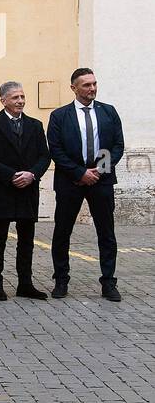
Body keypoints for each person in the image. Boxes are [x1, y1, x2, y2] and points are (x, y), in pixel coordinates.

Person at [47, 68, 124, 301]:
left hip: (101, 181)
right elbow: (56, 149)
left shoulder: (108, 112)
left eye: (94, 84)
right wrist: (80, 172)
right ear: (74, 88)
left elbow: (118, 145)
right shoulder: (60, 116)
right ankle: (61, 280)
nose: (92, 88)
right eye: (86, 85)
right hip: (70, 181)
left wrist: (98, 171)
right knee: (62, 232)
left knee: (106, 233)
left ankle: (108, 282)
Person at [0, 81, 50, 301]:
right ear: (3, 100)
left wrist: (32, 174)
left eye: (22, 97)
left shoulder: (35, 125)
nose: (20, 101)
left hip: (28, 189)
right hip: (4, 188)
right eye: (15, 98)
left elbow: (44, 156)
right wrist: (11, 175)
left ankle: (25, 283)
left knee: (26, 238)